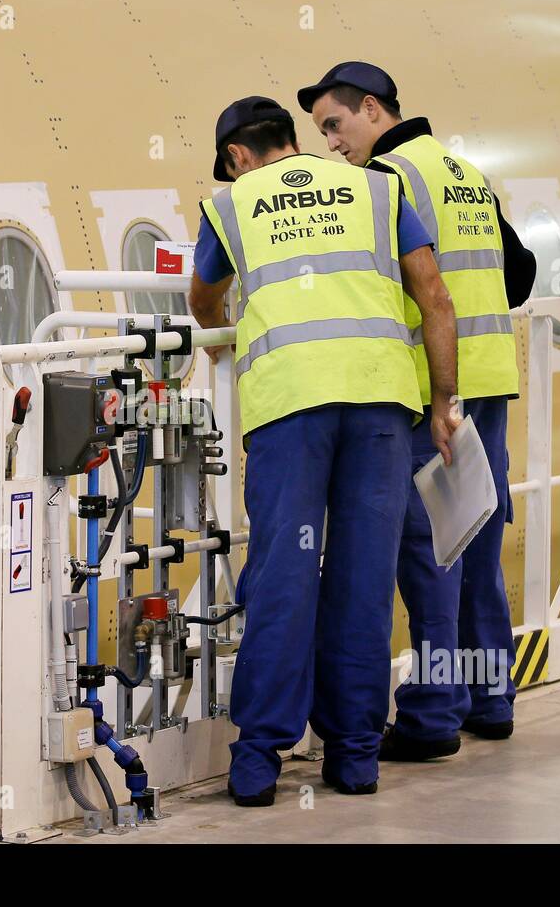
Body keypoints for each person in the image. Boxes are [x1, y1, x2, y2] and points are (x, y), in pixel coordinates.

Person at [187, 95, 460, 805]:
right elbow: (433, 295)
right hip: (379, 402)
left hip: (291, 408)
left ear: (238, 156)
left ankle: (258, 762)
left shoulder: (233, 203)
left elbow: (203, 302)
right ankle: (355, 755)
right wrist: (444, 402)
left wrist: (229, 327)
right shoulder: (378, 187)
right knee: (365, 576)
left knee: (283, 572)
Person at [298, 62, 536, 761]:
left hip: (438, 389)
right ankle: (489, 698)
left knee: (433, 551)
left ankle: (433, 714)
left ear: (373, 109)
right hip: (488, 379)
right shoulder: (463, 171)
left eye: (335, 126)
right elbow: (519, 274)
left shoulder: (391, 180)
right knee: (477, 544)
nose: (333, 145)